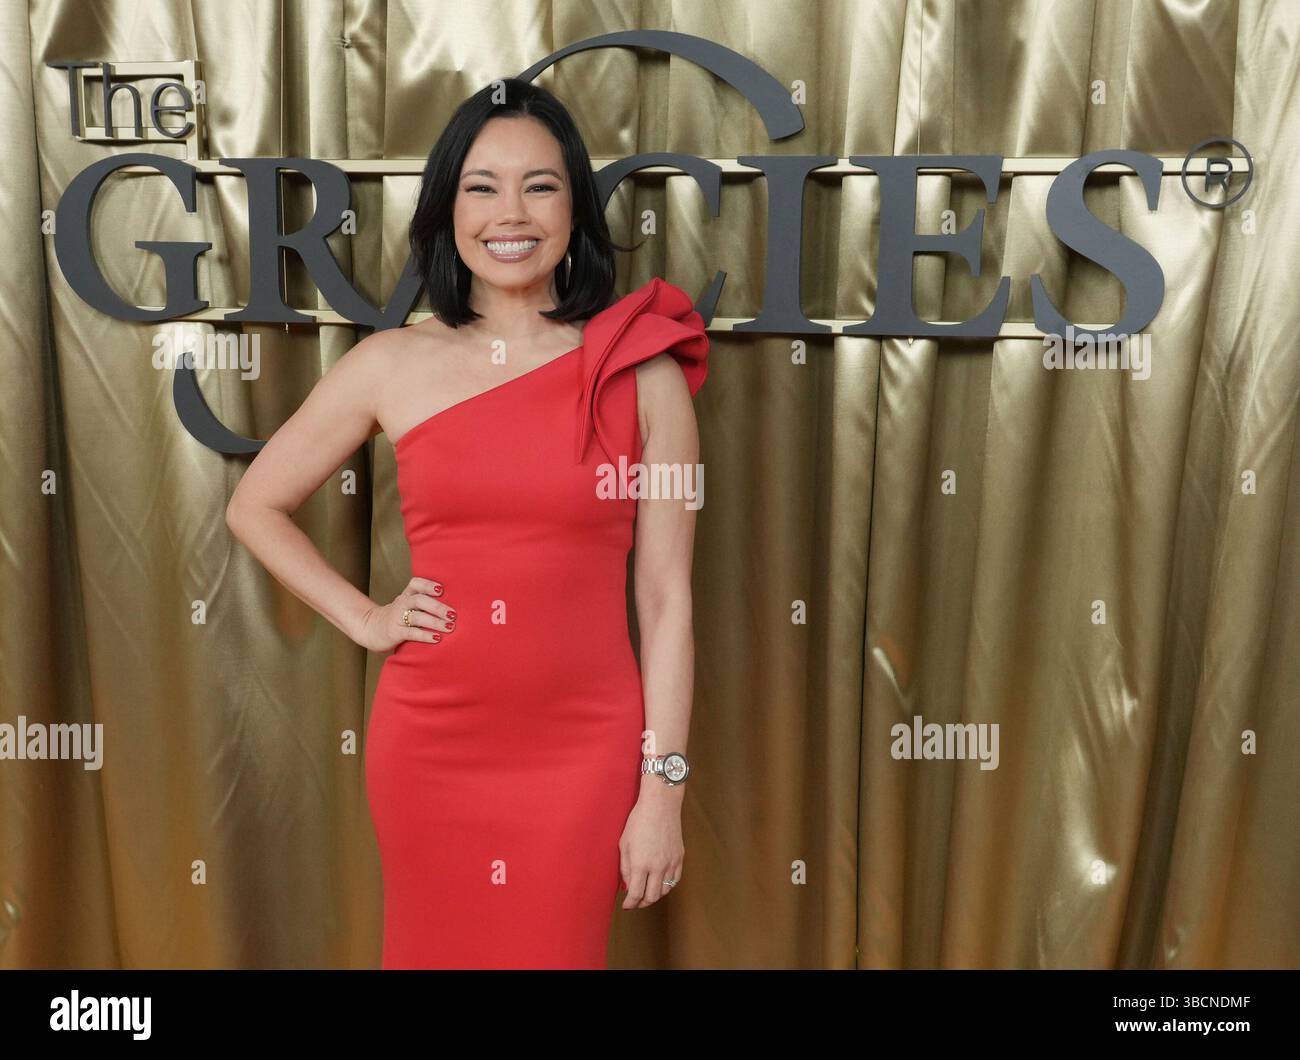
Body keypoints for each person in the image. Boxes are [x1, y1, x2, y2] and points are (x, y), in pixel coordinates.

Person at [224, 77, 709, 968]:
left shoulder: (645, 372)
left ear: (576, 209)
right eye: (482, 186)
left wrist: (662, 789)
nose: (510, 212)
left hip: (583, 748)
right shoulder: (391, 363)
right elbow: (255, 504)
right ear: (448, 208)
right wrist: (368, 618)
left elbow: (668, 599)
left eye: (541, 184)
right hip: (431, 741)